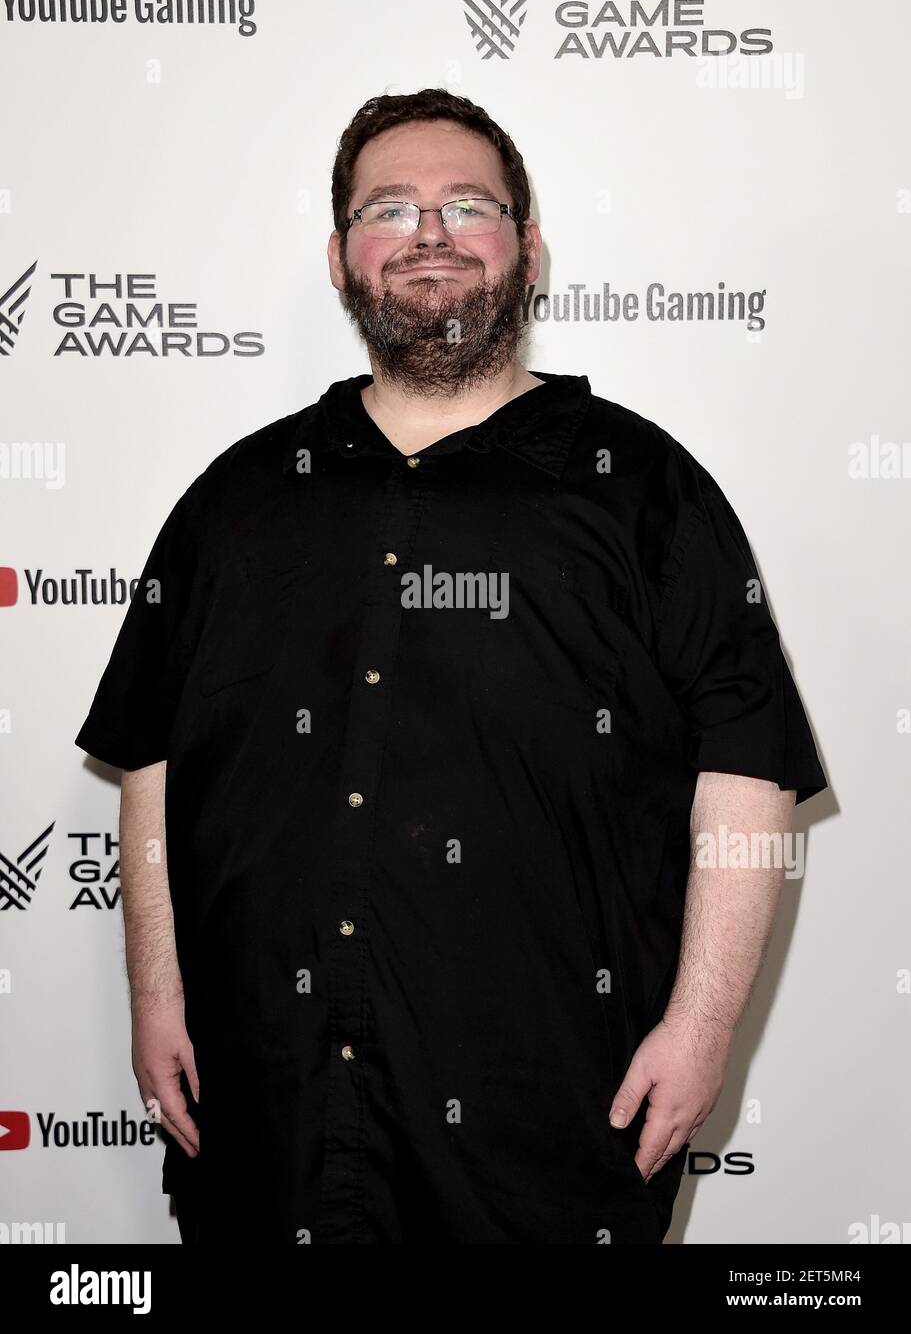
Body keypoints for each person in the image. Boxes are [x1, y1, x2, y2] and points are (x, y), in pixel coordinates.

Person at [75, 88, 828, 1245]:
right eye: (389, 209)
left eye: (466, 205)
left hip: (548, 1132)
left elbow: (746, 772)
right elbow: (154, 758)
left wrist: (703, 1024)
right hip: (268, 1117)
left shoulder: (646, 492)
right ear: (339, 257)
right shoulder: (233, 502)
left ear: (527, 246)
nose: (428, 231)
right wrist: (156, 989)